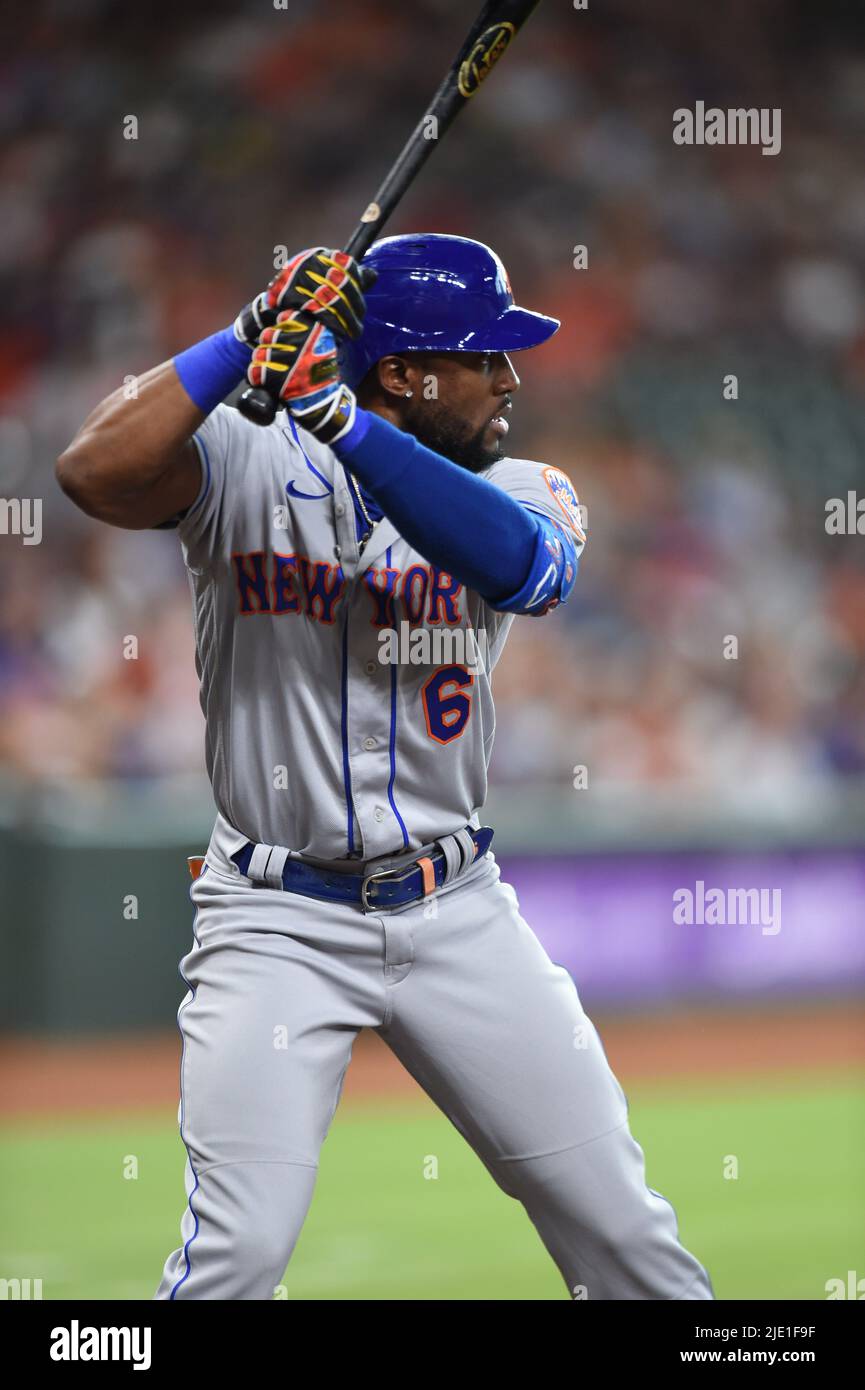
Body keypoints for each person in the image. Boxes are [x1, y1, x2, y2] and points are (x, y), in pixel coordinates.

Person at [57, 234, 714, 1301]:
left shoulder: (525, 487)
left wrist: (344, 422)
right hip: (275, 917)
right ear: (407, 372)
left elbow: (521, 569)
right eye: (482, 356)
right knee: (235, 1262)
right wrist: (240, 338)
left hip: (457, 909)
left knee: (627, 1241)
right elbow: (89, 472)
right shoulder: (246, 456)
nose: (509, 377)